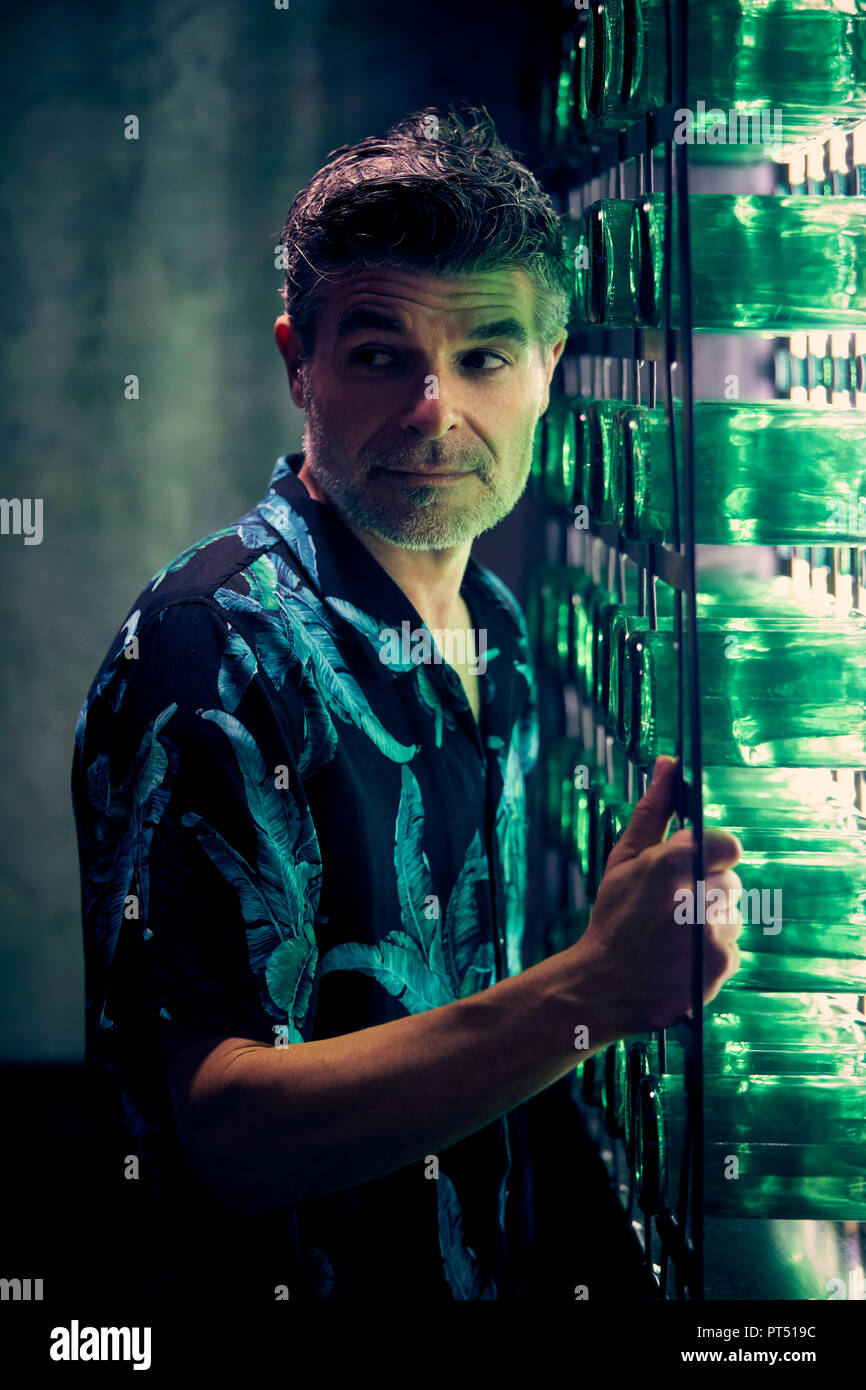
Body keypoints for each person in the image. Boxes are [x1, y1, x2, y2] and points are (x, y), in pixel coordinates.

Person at [70, 103, 742, 1307]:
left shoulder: (504, 632)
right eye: (380, 354)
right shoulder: (207, 649)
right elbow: (225, 1133)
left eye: (484, 354)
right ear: (297, 364)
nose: (434, 410)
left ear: (549, 367)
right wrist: (590, 988)